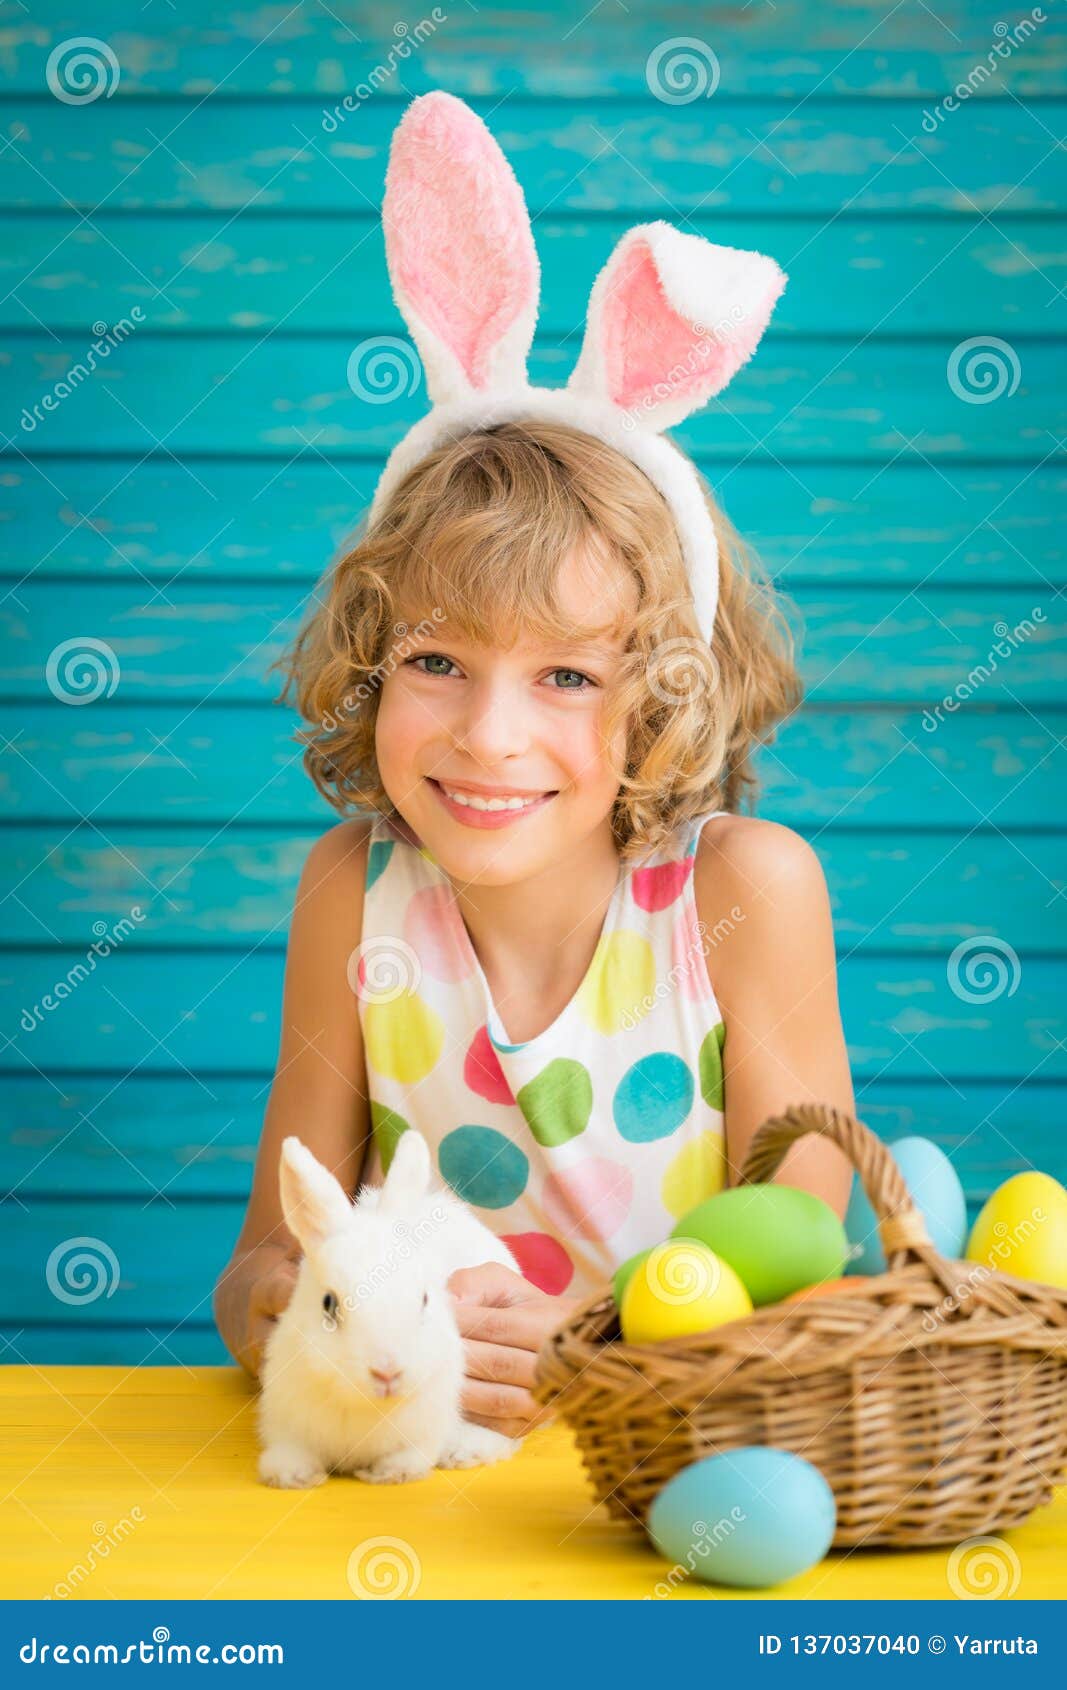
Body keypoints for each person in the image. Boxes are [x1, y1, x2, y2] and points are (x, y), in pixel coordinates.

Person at [213, 89, 854, 1443]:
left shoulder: (748, 892)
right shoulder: (356, 894)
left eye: (567, 675)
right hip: (428, 1467)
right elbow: (273, 1250)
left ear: (663, 697)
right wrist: (276, 1300)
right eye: (437, 661)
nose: (489, 735)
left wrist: (602, 1333)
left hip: (669, 1464)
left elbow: (799, 1246)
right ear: (372, 659)